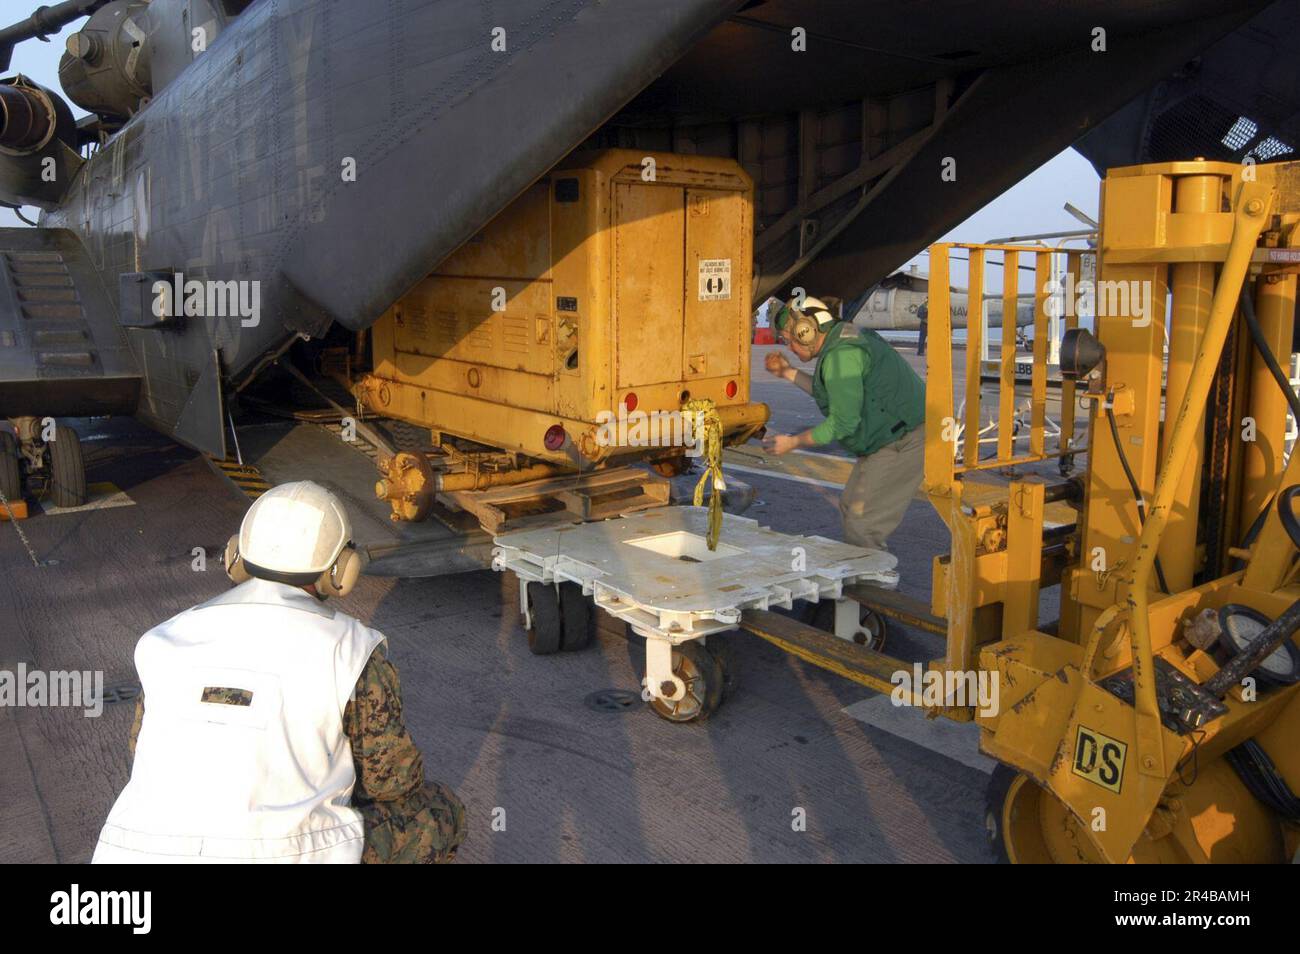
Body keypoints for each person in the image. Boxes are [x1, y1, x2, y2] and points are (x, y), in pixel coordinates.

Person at [92, 480, 466, 864]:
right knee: (438, 812)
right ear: (341, 570)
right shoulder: (351, 651)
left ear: (236, 557)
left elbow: (142, 750)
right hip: (285, 855)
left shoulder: (163, 641)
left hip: (132, 861)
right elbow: (393, 783)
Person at [763, 295, 925, 553]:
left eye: (787, 339)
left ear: (805, 331)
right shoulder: (841, 340)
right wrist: (787, 372)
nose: (789, 347)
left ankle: (873, 587)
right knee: (851, 507)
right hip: (887, 438)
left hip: (904, 440)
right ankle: (864, 581)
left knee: (863, 526)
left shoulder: (842, 356)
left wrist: (792, 442)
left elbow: (843, 423)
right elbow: (833, 392)